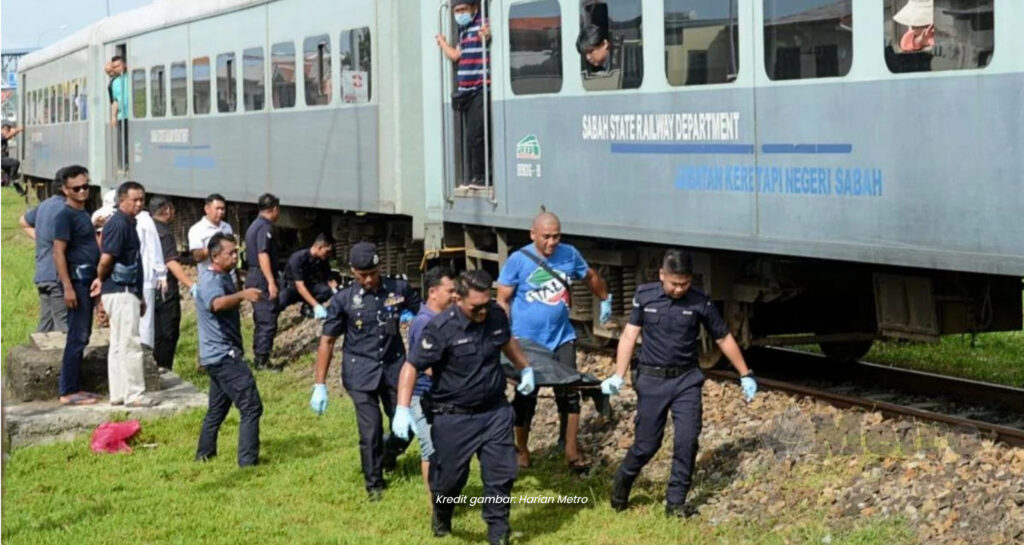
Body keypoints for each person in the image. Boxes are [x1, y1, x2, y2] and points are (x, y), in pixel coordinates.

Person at [601, 249, 757, 517]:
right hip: (651, 379)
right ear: (662, 275)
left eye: (684, 284)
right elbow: (628, 337)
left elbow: (722, 337)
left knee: (687, 441)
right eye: (674, 283)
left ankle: (675, 504)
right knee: (647, 445)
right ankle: (621, 486)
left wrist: (745, 373)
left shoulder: (700, 301)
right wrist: (618, 374)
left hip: (686, 380)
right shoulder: (645, 297)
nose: (678, 289)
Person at [392, 270, 536, 545]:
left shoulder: (494, 314)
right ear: (458, 299)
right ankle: (442, 514)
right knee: (450, 480)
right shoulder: (440, 329)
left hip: (494, 412)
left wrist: (525, 369)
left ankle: (498, 532)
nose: (483, 311)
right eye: (476, 307)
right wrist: (402, 409)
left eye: (486, 304)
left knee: (500, 475)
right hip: (454, 416)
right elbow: (411, 366)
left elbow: (505, 341)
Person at [496, 211, 612, 472]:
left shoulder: (569, 254)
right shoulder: (518, 260)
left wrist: (605, 298)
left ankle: (571, 451)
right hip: (526, 341)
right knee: (527, 396)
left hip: (562, 336)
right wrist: (504, 334)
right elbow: (502, 298)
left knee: (570, 390)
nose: (551, 242)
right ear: (533, 234)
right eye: (546, 237)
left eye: (556, 236)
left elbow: (590, 275)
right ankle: (522, 450)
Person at [308, 241, 422, 501]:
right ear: (352, 272)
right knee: (369, 430)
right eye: (363, 275)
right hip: (360, 371)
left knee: (408, 424)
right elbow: (327, 341)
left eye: (373, 273)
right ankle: (374, 483)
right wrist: (319, 384)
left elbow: (422, 312)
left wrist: (414, 323)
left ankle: (388, 452)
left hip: (394, 367)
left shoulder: (398, 288)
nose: (369, 279)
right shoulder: (344, 300)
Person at [194, 233, 264, 467]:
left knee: (217, 409)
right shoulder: (211, 280)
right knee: (251, 406)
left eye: (236, 252)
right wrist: (243, 295)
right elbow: (216, 304)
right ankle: (248, 462)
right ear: (215, 256)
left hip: (215, 355)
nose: (236, 257)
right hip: (224, 356)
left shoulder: (222, 275)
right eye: (230, 253)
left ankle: (204, 455)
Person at [93, 181, 160, 407]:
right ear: (122, 200)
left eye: (142, 199)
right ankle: (135, 394)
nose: (139, 204)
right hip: (121, 290)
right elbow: (106, 259)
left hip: (123, 291)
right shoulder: (120, 224)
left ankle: (119, 392)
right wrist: (101, 281)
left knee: (118, 343)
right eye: (135, 200)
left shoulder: (126, 223)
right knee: (130, 342)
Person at [51, 165, 101, 405]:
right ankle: (68, 390)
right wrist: (68, 286)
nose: (82, 191)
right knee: (77, 335)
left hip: (87, 281)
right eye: (76, 188)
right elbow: (58, 252)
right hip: (76, 282)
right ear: (65, 189)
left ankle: (74, 387)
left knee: (84, 334)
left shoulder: (82, 213)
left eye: (85, 186)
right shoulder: (65, 215)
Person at [405, 266, 456, 503]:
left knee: (444, 448)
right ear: (433, 292)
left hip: (441, 395)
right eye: (450, 290)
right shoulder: (424, 323)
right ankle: (434, 503)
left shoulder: (444, 318)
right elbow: (423, 364)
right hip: (422, 395)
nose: (455, 295)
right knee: (430, 449)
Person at [436, 0, 492, 189]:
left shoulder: (480, 23)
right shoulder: (464, 31)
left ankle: (484, 177)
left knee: (477, 135)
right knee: (470, 136)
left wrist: (487, 33)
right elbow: (455, 56)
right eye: (457, 11)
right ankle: (475, 176)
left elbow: (488, 33)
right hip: (466, 92)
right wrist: (442, 42)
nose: (460, 14)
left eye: (463, 10)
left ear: (473, 9)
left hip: (479, 89)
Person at [19, 171, 71, 333]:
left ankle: (37, 356)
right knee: (63, 325)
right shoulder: (65, 210)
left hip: (43, 273)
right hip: (57, 276)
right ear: (66, 188)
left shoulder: (44, 205)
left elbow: (23, 221)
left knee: (46, 323)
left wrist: (40, 237)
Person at [150, 196, 195, 370]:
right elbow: (171, 262)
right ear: (168, 210)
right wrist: (191, 284)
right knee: (168, 333)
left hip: (150, 287)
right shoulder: (164, 232)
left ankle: (153, 368)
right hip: (165, 290)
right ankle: (164, 370)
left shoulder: (146, 227)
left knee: (154, 332)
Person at [244, 193, 282, 371]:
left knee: (261, 318)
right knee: (267, 318)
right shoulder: (265, 227)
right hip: (260, 276)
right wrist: (271, 281)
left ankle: (259, 354)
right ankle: (262, 360)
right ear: (274, 209)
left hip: (254, 275)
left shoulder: (254, 225)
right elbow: (263, 253)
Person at [277, 233, 337, 317]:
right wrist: (316, 305)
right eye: (327, 251)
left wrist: (334, 287)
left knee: (326, 291)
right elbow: (300, 286)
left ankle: (306, 308)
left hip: (309, 285)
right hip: (293, 288)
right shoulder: (298, 258)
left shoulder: (322, 258)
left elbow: (328, 275)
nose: (329, 254)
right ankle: (268, 321)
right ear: (320, 247)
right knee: (282, 299)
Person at [136, 206, 167, 351]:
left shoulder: (143, 221)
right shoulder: (144, 221)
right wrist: (161, 273)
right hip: (144, 278)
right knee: (145, 322)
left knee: (143, 321)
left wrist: (161, 273)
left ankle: (145, 357)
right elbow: (155, 248)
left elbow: (154, 249)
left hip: (143, 278)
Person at [188, 193, 233, 281]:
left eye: (223, 209)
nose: (220, 212)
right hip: (210, 279)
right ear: (207, 209)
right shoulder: (197, 229)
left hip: (229, 277)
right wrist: (215, 246)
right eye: (217, 209)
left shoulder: (227, 227)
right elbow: (197, 257)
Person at [109, 56, 129, 170]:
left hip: (133, 116)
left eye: (118, 66)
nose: (116, 69)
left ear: (124, 65)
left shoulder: (131, 77)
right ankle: (124, 165)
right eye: (114, 67)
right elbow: (115, 101)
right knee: (123, 142)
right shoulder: (114, 83)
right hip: (122, 116)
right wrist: (113, 116)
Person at [1, 123, 25, 195]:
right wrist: (19, 129)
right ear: (3, 129)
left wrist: (14, 131)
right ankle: (12, 179)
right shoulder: (1, 135)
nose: (7, 133)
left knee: (12, 176)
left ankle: (20, 191)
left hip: (3, 159)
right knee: (16, 163)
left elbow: (11, 135)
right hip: (2, 159)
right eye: (7, 131)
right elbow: (8, 136)